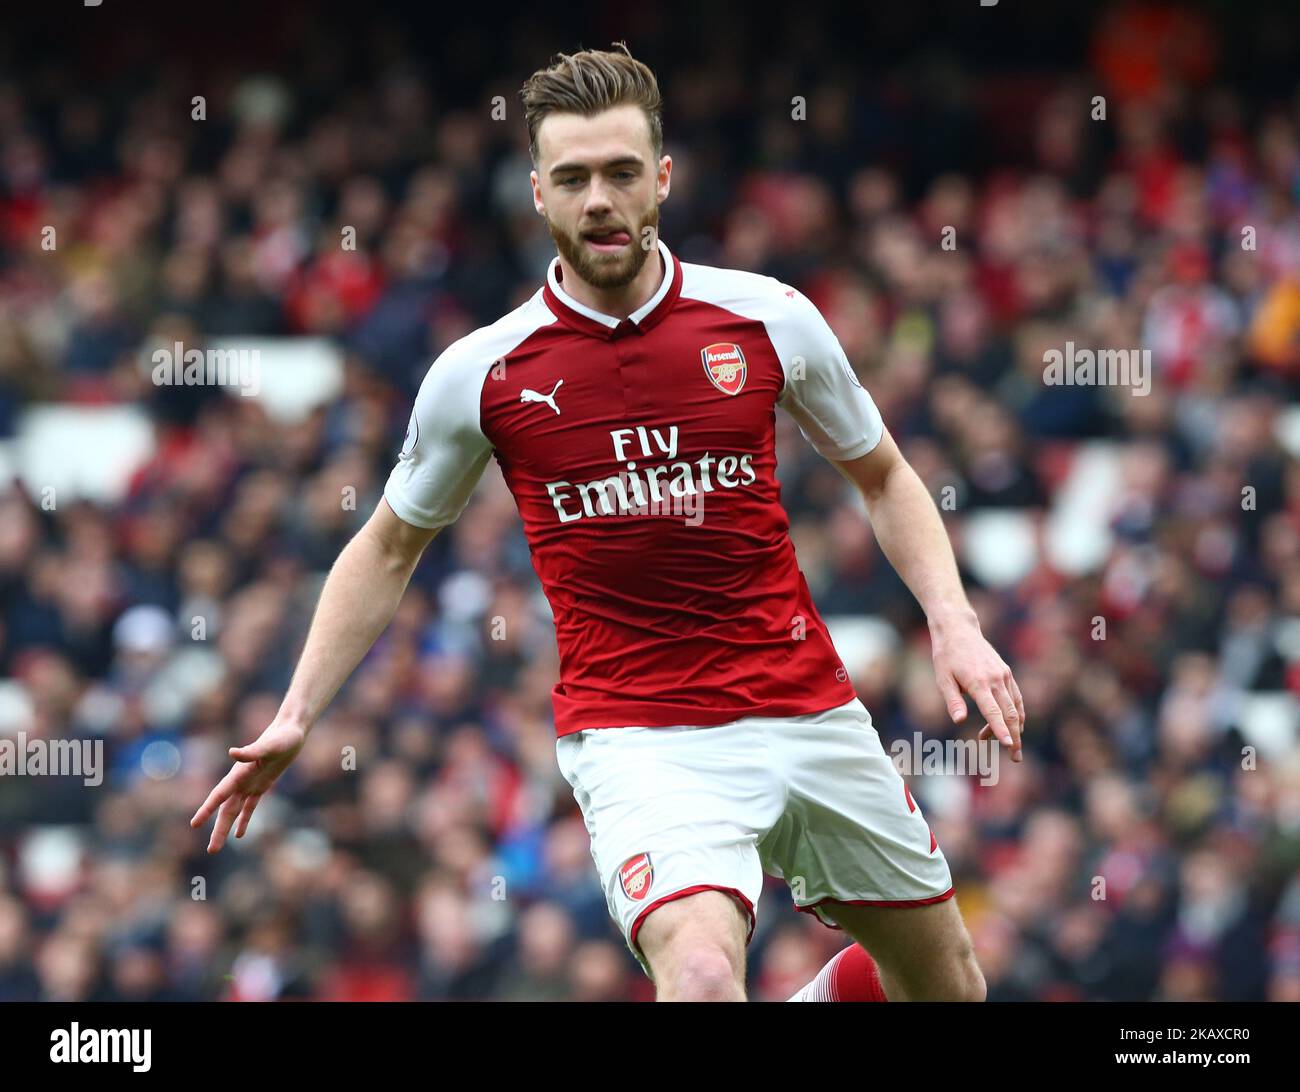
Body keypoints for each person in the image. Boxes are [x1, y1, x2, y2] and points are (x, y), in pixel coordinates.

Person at [191, 42, 1027, 1002]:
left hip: (804, 701)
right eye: (575, 178)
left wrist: (953, 618)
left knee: (948, 986)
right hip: (641, 734)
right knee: (704, 975)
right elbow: (387, 544)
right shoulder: (484, 372)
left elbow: (883, 477)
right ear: (538, 192)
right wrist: (298, 711)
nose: (600, 200)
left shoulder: (769, 319)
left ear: (661, 179)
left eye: (622, 173)